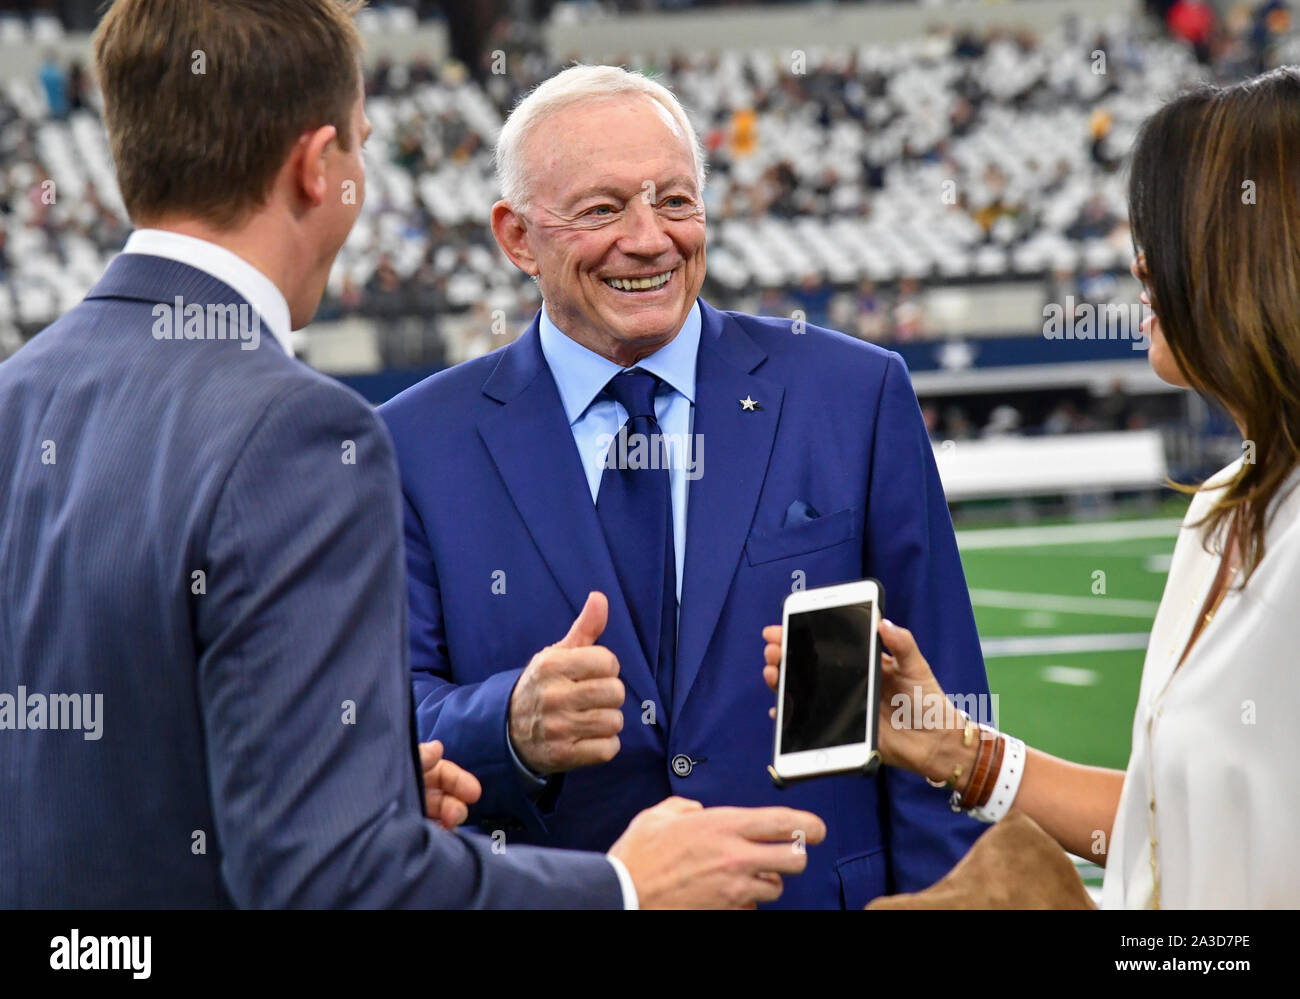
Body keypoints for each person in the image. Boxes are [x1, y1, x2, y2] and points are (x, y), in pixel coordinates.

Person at [0, 0, 824, 910]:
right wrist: (626, 887)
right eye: (358, 144)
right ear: (318, 168)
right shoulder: (297, 431)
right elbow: (335, 881)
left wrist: (373, 793)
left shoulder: (18, 396)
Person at [380, 64, 989, 909]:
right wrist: (510, 726)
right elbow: (378, 726)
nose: (650, 238)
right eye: (602, 209)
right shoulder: (413, 444)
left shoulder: (854, 394)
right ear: (516, 239)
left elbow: (944, 710)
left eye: (674, 200)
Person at [764, 69, 1300, 909]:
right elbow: (1172, 829)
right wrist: (959, 752)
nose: (1138, 262)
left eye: (1168, 230)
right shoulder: (1225, 504)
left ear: (1256, 255)